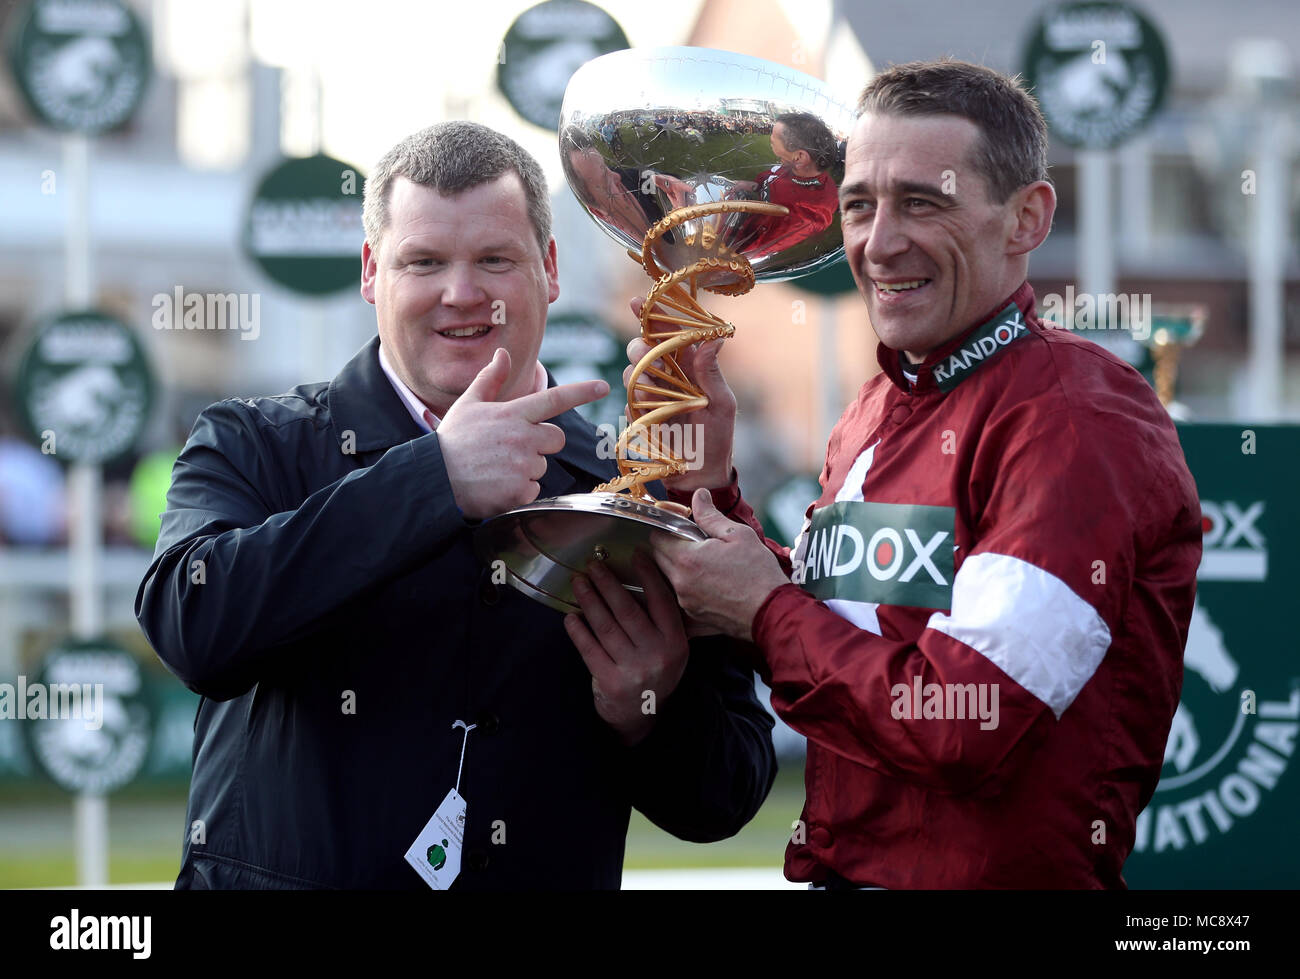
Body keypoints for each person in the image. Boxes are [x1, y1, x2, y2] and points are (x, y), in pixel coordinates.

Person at [135, 121, 777, 890]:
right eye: (425, 261)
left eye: (495, 260)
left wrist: (649, 705)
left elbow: (725, 797)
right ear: (373, 271)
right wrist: (431, 478)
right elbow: (191, 627)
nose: (462, 293)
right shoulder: (255, 442)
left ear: (549, 268)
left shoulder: (630, 488)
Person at [635, 60, 1202, 888]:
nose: (878, 241)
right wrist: (706, 479)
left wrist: (762, 608)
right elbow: (847, 639)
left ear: (1026, 219)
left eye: (922, 202)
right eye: (860, 204)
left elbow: (963, 717)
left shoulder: (1078, 418)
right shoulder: (875, 405)